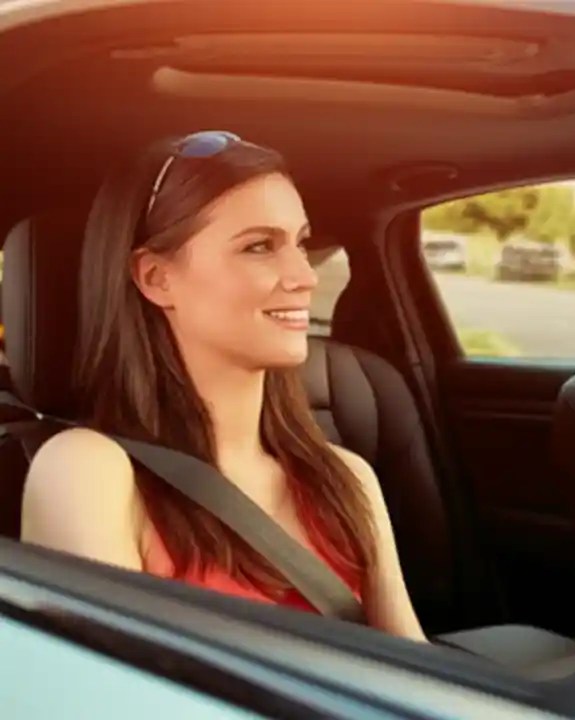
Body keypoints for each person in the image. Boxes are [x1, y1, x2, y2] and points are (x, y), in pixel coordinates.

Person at [20, 131, 427, 641]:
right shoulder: (91, 472)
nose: (304, 275)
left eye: (301, 244)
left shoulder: (346, 477)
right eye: (259, 247)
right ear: (155, 278)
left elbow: (413, 672)